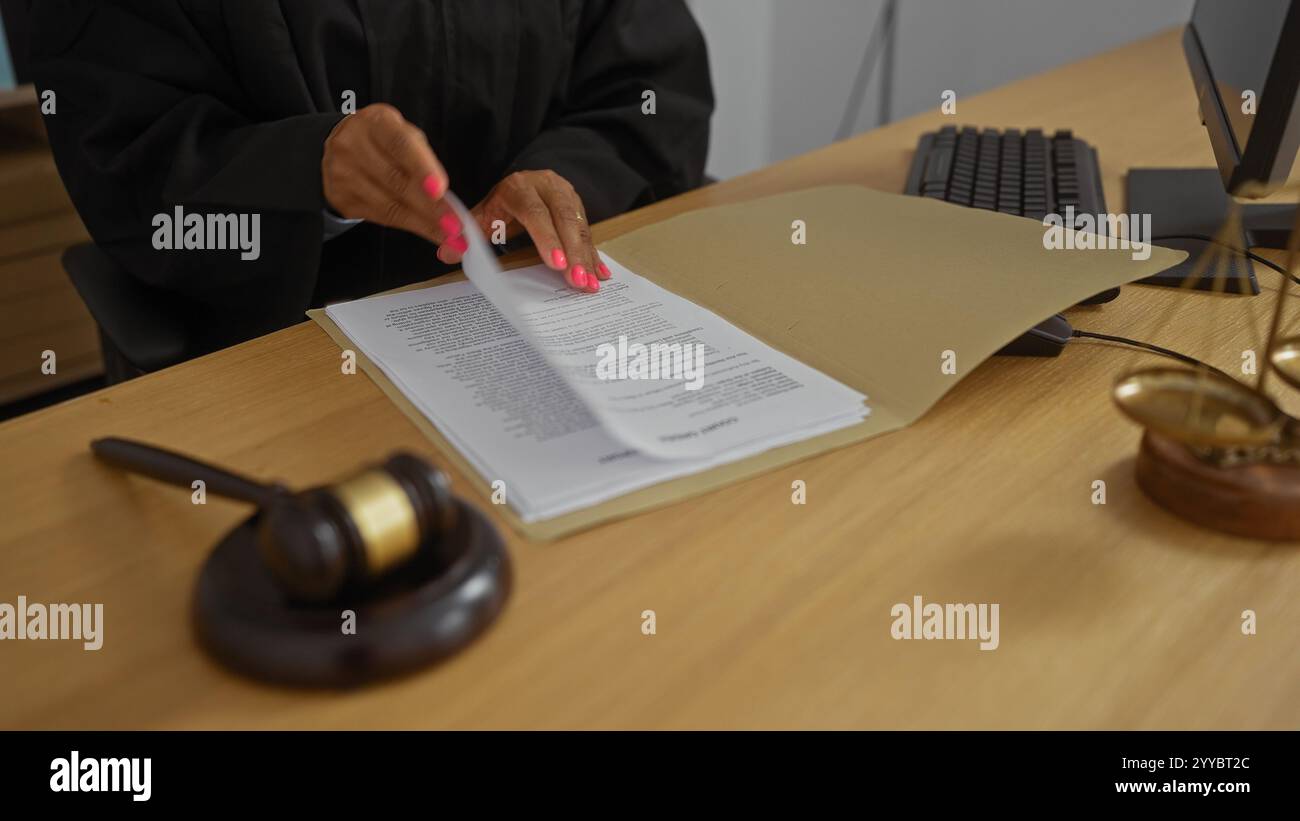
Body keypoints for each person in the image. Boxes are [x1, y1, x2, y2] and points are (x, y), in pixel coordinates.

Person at [31, 1, 713, 354]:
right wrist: (309, 168)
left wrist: (565, 176)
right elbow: (126, 152)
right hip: (287, 347)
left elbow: (652, 86)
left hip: (540, 317)